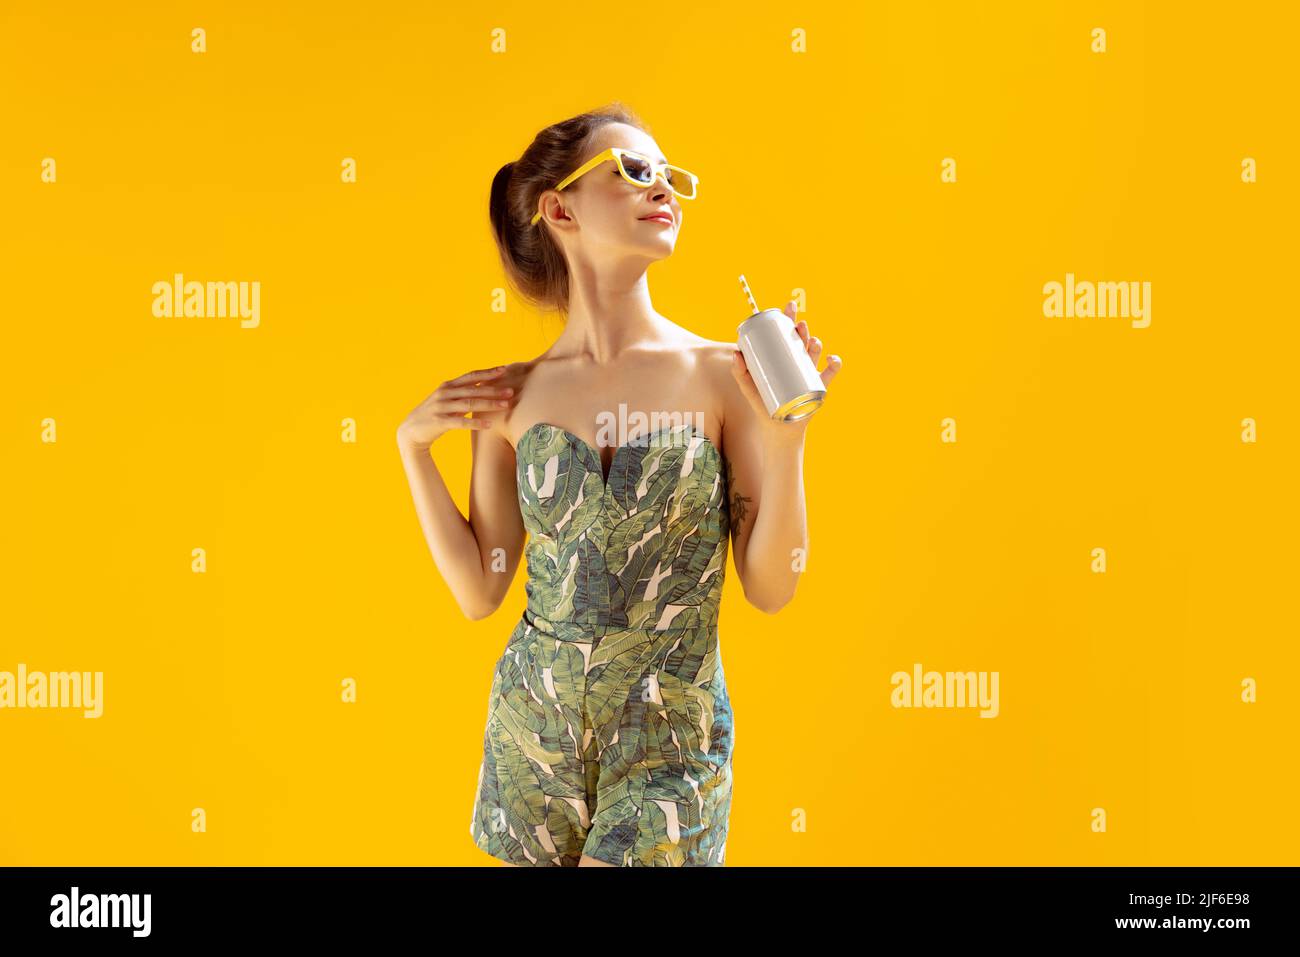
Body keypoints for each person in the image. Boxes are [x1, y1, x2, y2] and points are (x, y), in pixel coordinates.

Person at [396, 102, 842, 866]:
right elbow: (479, 590)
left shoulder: (723, 375)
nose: (661, 186)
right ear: (559, 208)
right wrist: (411, 448)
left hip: (670, 735)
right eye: (634, 170)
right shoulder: (511, 397)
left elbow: (771, 586)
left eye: (670, 175)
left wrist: (785, 439)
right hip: (533, 734)